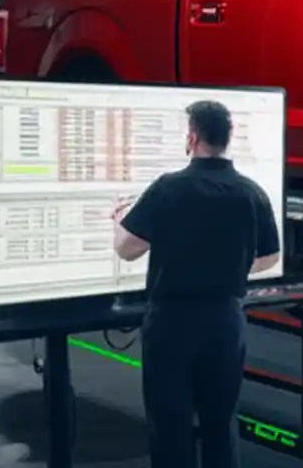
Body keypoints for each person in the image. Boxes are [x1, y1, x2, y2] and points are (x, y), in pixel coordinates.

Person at [111, 100, 281, 468]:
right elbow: (271, 256)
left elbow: (127, 249)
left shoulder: (169, 188)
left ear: (192, 138)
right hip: (225, 322)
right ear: (228, 138)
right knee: (221, 425)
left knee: (170, 428)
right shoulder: (250, 192)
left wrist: (119, 220)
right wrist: (230, 267)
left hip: (172, 323)